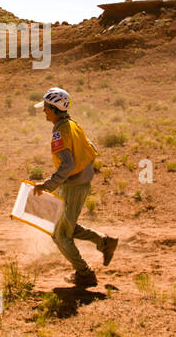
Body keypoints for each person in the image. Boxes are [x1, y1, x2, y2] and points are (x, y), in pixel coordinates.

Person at [32, 87, 119, 288]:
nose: (44, 111)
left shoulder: (59, 132)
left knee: (60, 235)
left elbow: (67, 165)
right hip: (80, 182)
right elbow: (91, 149)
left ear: (54, 109)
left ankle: (85, 274)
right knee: (66, 225)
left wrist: (47, 185)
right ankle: (104, 242)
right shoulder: (74, 125)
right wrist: (83, 174)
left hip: (73, 185)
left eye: (46, 108)